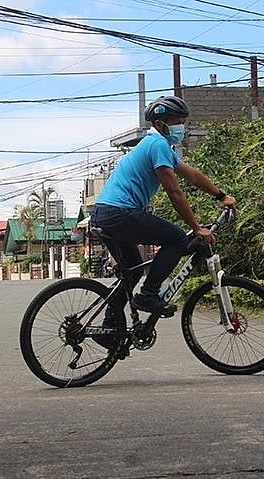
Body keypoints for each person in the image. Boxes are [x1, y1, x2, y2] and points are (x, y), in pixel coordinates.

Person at [90, 95, 237, 319]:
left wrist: (221, 195)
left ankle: (111, 325)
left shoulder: (159, 146)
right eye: (177, 122)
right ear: (160, 124)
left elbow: (193, 176)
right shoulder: (157, 144)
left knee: (133, 270)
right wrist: (196, 228)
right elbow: (174, 192)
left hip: (107, 213)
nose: (182, 128)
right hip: (119, 212)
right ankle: (148, 295)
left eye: (183, 122)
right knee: (177, 239)